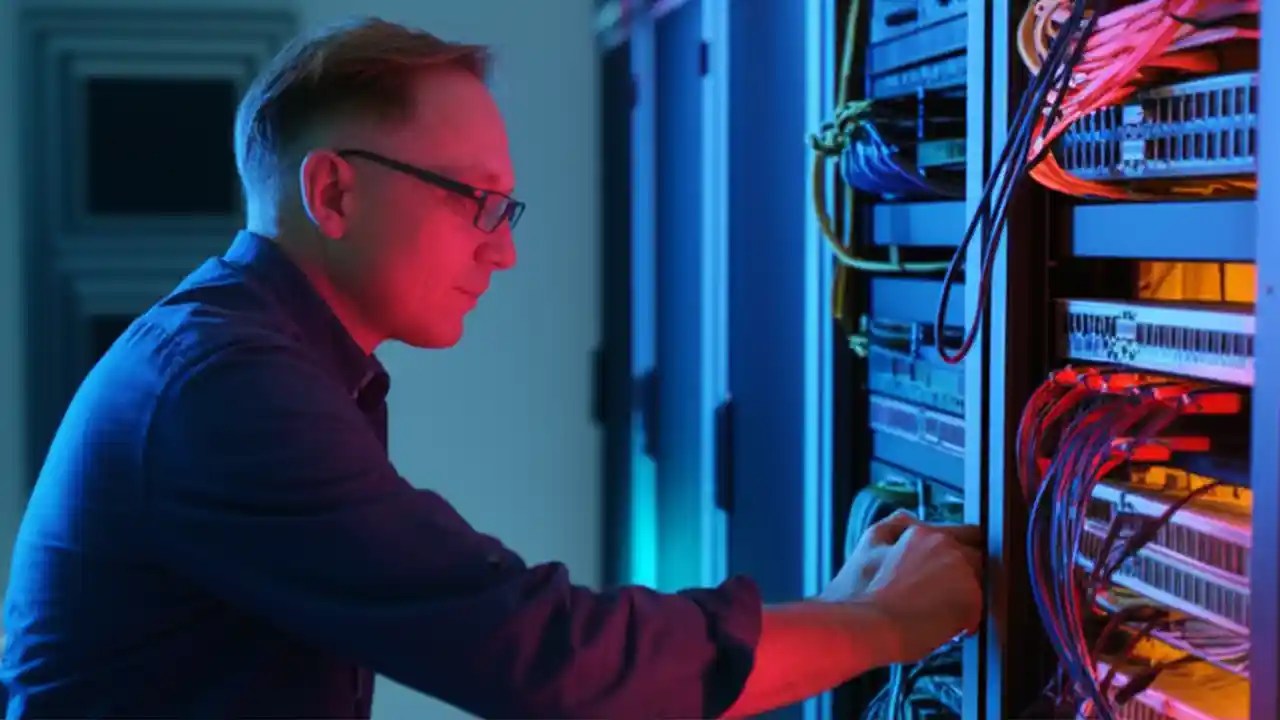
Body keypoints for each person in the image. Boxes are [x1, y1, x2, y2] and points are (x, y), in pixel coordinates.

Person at [0, 17, 983, 719]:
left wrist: (852, 609)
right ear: (332, 189)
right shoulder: (221, 388)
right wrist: (889, 624)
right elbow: (540, 658)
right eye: (476, 200)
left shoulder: (246, 355)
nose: (501, 250)